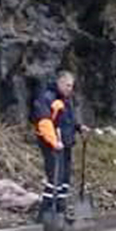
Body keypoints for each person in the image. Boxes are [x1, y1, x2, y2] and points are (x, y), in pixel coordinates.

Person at [30, 70, 87, 221]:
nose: (70, 89)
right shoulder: (47, 98)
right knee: (55, 179)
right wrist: (54, 142)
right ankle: (45, 213)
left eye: (72, 86)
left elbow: (68, 119)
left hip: (66, 143)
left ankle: (60, 211)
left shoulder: (65, 100)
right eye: (68, 85)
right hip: (52, 145)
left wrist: (79, 127)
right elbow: (44, 123)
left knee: (64, 179)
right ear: (59, 83)